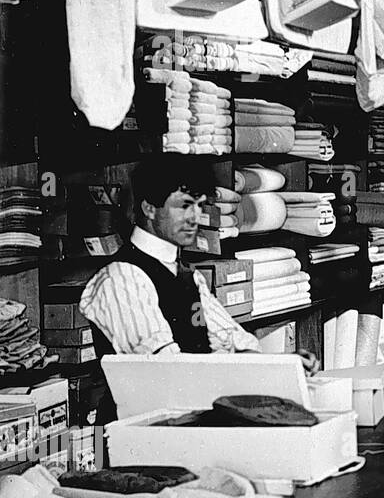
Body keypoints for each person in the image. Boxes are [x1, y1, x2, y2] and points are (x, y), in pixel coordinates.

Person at [79, 155, 317, 421]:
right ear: (149, 208)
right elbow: (167, 373)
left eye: (199, 206)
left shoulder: (188, 276)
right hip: (138, 438)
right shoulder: (120, 278)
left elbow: (234, 341)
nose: (195, 217)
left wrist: (282, 366)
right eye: (184, 205)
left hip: (186, 422)